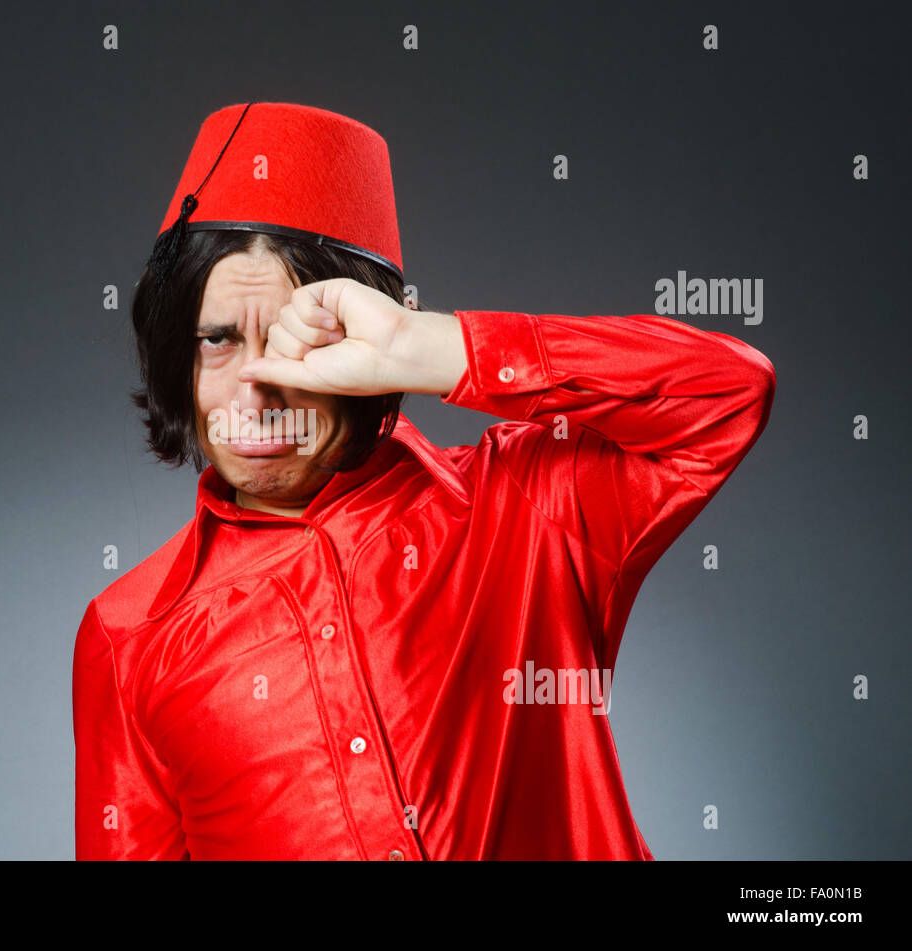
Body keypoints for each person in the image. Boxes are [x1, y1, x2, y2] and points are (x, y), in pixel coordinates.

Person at [72, 101, 775, 860]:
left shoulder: (526, 508)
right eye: (217, 340)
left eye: (292, 338)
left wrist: (428, 345)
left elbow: (725, 394)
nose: (257, 387)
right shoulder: (129, 634)